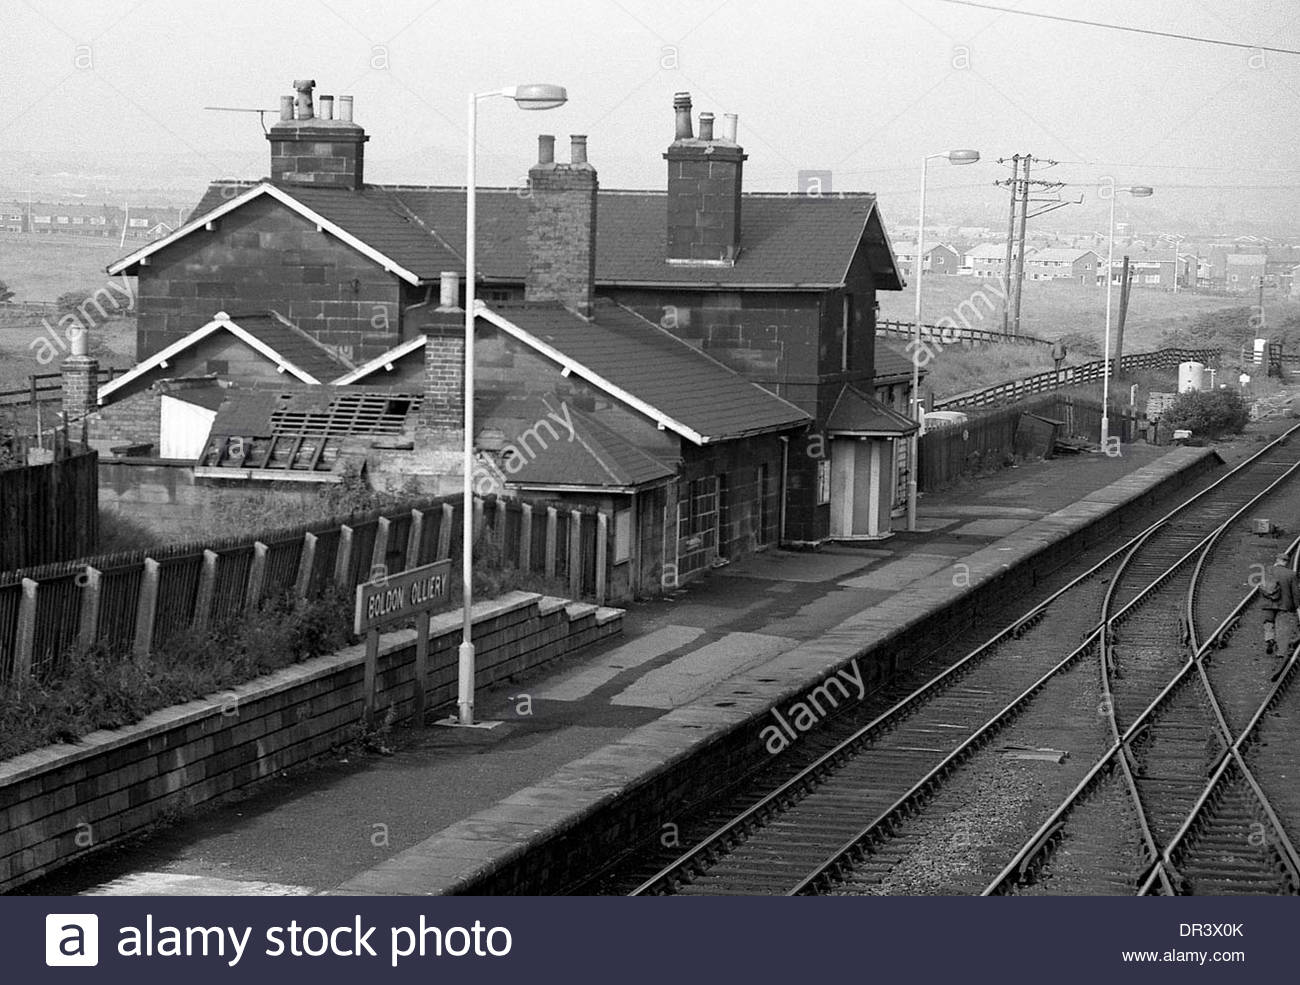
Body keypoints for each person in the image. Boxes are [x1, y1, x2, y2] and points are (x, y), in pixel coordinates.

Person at [1260, 553, 1300, 671]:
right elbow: (1295, 593)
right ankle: (1281, 651)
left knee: (1268, 621)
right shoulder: (1291, 574)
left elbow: (1262, 587)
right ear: (1286, 562)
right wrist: (1297, 606)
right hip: (1284, 604)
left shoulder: (1267, 570)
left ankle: (1269, 638)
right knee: (1282, 626)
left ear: (1277, 560)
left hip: (1269, 602)